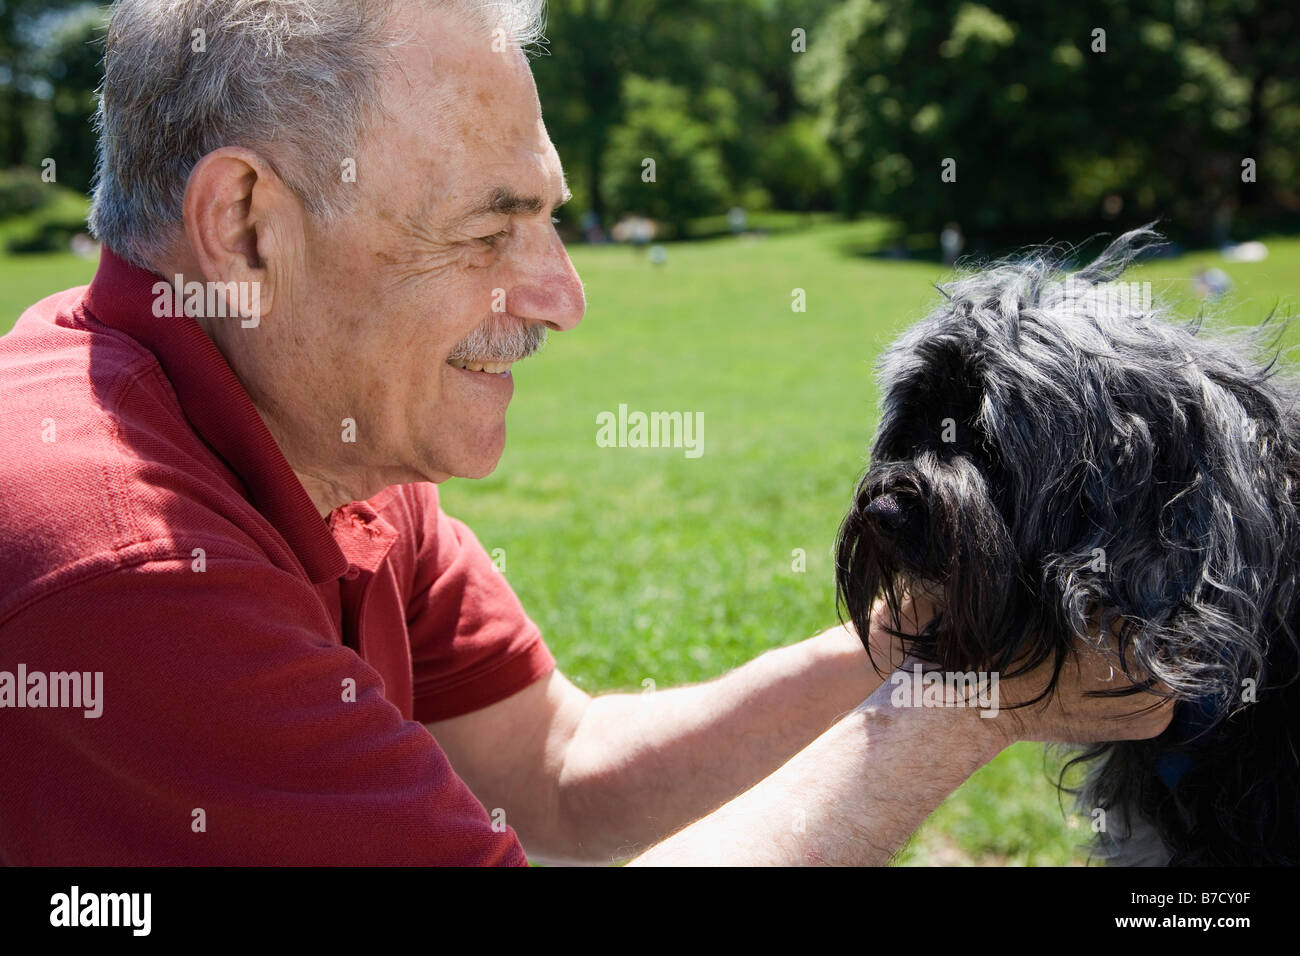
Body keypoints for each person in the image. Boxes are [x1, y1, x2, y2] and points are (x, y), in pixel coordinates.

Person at [0, 0, 1171, 866]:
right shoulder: (124, 561)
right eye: (485, 232)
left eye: (548, 218)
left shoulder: (327, 438)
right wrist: (971, 709)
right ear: (247, 229)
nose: (563, 294)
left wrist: (933, 641)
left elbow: (557, 770)